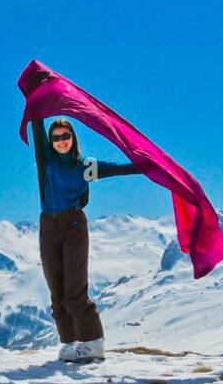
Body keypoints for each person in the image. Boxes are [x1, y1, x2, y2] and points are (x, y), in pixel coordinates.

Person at [31, 116, 142, 362]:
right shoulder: (45, 161)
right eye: (56, 137)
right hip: (48, 227)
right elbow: (36, 127)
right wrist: (33, 98)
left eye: (65, 136)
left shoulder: (84, 166)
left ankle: (93, 343)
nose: (61, 142)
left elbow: (115, 169)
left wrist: (147, 165)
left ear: (73, 138)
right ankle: (68, 344)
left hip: (73, 226)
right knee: (56, 291)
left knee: (74, 289)